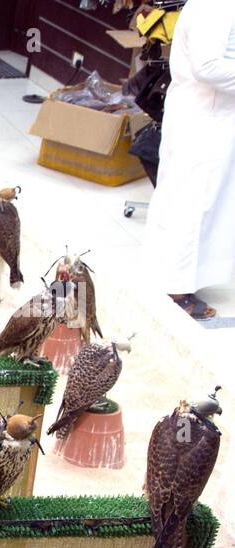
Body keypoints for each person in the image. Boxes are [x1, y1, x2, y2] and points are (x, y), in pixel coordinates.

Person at [146, 0, 235, 320]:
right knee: (192, 203)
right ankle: (176, 288)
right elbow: (208, 66)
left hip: (211, 115)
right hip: (202, 118)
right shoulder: (216, 6)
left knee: (195, 199)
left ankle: (177, 276)